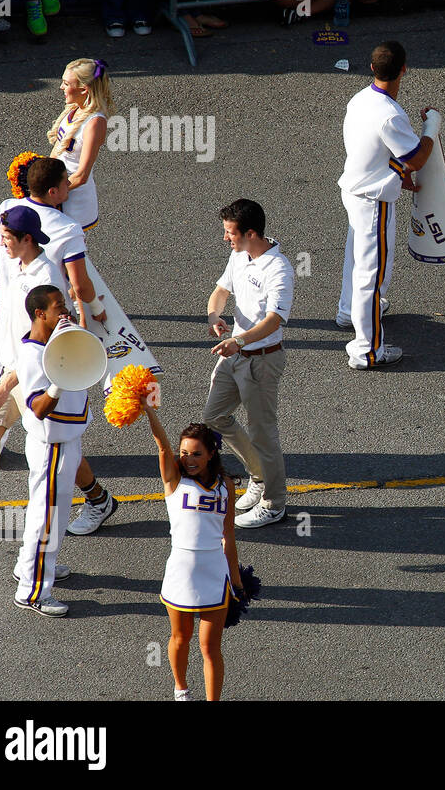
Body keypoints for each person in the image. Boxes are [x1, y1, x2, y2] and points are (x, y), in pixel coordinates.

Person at [0, 157, 118, 538]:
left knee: (51, 447)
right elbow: (79, 286)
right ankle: (87, 508)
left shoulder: (8, 213)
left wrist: (9, 379)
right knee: (52, 445)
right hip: (26, 352)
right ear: (57, 191)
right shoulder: (64, 233)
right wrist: (95, 312)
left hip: (21, 351)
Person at [0, 206, 70, 537]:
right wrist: (0, 370)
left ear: (26, 239)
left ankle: (96, 497)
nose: (2, 242)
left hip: (31, 376)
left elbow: (42, 341)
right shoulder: (15, 265)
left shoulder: (46, 280)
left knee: (60, 448)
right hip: (8, 370)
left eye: (7, 238)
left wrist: (5, 384)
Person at [336, 41, 439, 367]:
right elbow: (418, 158)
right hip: (373, 201)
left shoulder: (359, 99)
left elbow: (371, 150)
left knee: (356, 260)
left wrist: (394, 173)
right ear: (404, 69)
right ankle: (367, 351)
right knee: (373, 275)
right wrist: (432, 126)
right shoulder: (391, 115)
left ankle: (348, 311)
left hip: (353, 189)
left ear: (372, 68)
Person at [145, 396, 243, 701]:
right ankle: (181, 689)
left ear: (212, 453)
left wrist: (236, 579)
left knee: (211, 647)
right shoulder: (174, 480)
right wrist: (149, 411)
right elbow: (162, 445)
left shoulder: (226, 484)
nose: (188, 459)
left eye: (196, 454)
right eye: (185, 452)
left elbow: (228, 534)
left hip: (214, 571)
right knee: (180, 637)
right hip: (181, 571)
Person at [204, 199, 294, 529]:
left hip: (261, 362)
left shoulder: (279, 269)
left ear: (251, 233)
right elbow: (220, 291)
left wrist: (238, 340)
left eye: (230, 233)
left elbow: (274, 321)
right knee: (214, 416)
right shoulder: (239, 255)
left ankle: (274, 503)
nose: (226, 238)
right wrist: (214, 315)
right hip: (236, 355)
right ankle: (258, 475)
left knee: (263, 434)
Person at [13, 285, 89, 617]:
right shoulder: (33, 356)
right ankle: (31, 591)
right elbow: (39, 407)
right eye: (59, 306)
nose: (66, 309)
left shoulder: (55, 340)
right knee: (48, 520)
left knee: (46, 516)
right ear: (40, 314)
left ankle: (31, 566)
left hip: (64, 440)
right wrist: (59, 379)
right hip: (53, 446)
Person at [48, 58, 110, 232]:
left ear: (84, 89)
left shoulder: (94, 123)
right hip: (57, 192)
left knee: (71, 255)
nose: (61, 87)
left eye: (66, 84)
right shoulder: (75, 108)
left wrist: (49, 194)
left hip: (73, 200)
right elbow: (59, 149)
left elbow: (82, 175)